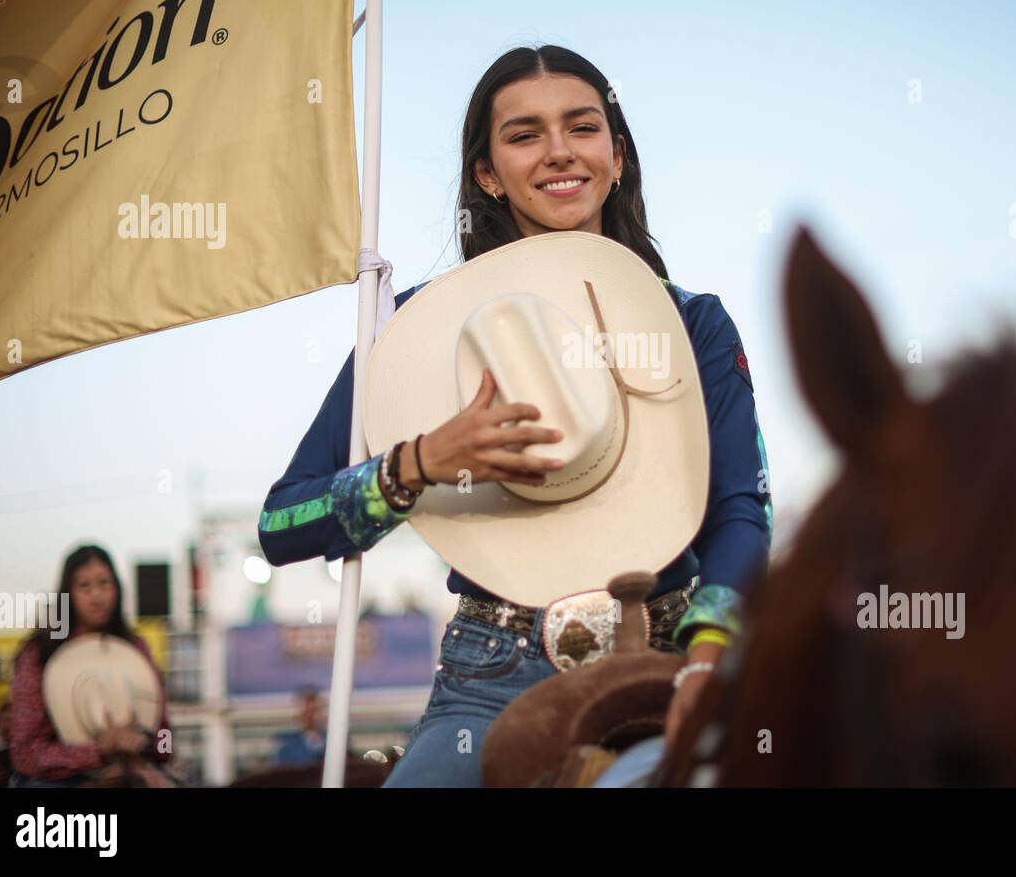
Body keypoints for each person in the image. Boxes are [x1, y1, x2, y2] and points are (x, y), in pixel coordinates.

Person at [259, 45, 772, 787]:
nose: (559, 152)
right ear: (487, 174)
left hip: (668, 657)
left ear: (617, 156)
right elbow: (282, 524)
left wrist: (706, 657)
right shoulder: (409, 333)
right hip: (490, 676)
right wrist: (418, 463)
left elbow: (743, 510)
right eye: (525, 135)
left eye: (582, 127)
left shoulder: (693, 321)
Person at [8, 544, 173, 787]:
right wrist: (98, 751)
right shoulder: (39, 653)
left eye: (104, 583)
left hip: (133, 771)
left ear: (117, 588)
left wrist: (146, 741)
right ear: (68, 593)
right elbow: (25, 754)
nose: (97, 596)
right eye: (84, 586)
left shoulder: (136, 648)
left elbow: (168, 740)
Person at [271, 686, 328, 766]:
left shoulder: (335, 739)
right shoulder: (284, 741)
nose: (310, 716)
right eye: (306, 711)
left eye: (314, 710)